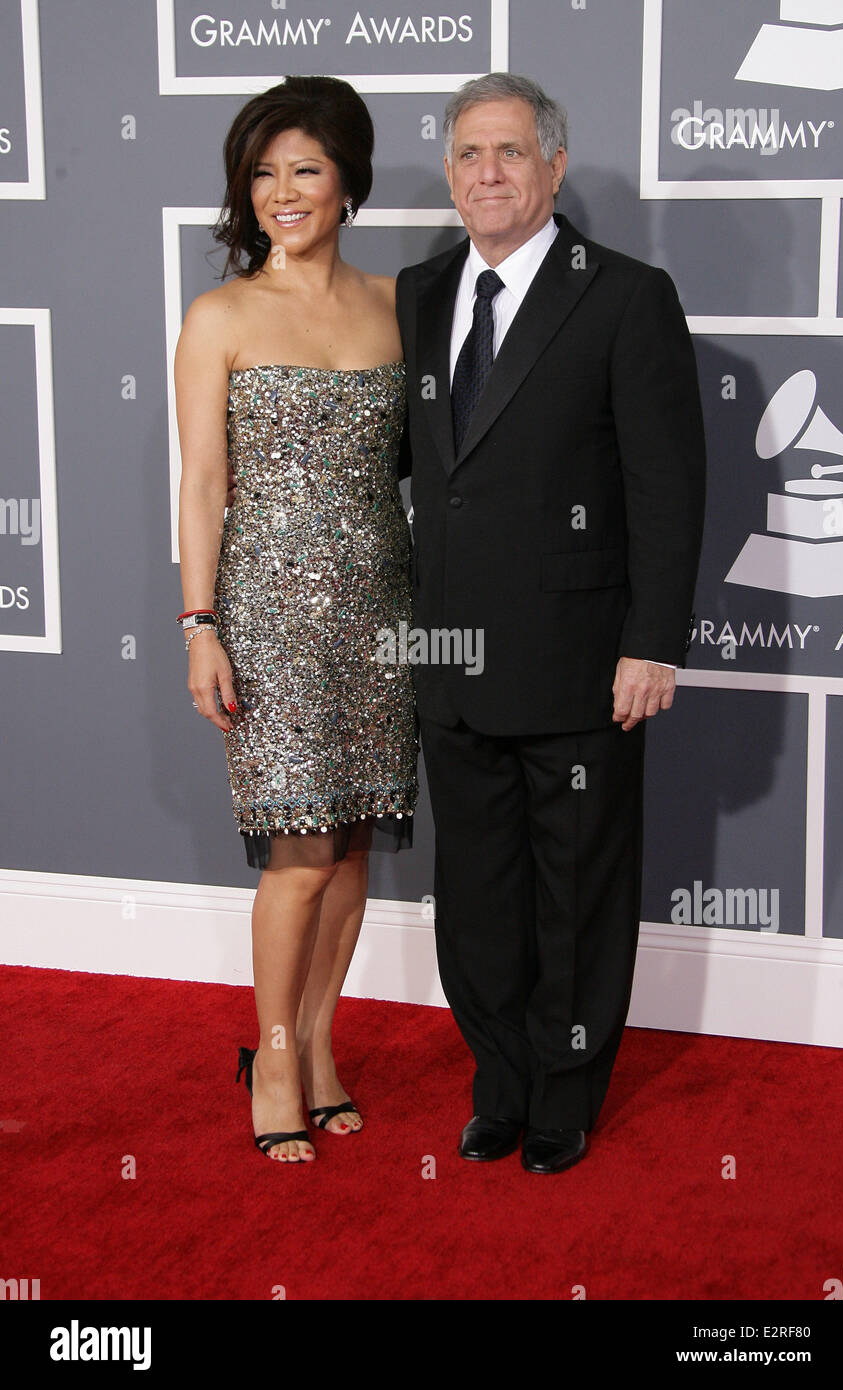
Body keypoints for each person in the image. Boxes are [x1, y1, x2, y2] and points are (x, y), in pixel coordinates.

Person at [394, 73, 706, 1173]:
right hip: (452, 660)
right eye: (470, 153)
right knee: (477, 895)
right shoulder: (420, 292)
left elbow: (666, 485)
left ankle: (565, 1094)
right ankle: (500, 1080)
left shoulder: (625, 295)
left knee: (578, 890)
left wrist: (655, 639)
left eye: (512, 153)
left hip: (583, 662)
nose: (488, 173)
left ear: (555, 166)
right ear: (449, 170)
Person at [174, 76, 419, 1164]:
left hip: (382, 608)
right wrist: (199, 621)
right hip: (269, 612)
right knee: (300, 852)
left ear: (348, 180)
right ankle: (271, 1052)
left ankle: (320, 1047)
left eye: (305, 169)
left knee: (355, 842)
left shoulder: (396, 306)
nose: (282, 192)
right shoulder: (220, 314)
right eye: (263, 173)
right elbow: (202, 486)